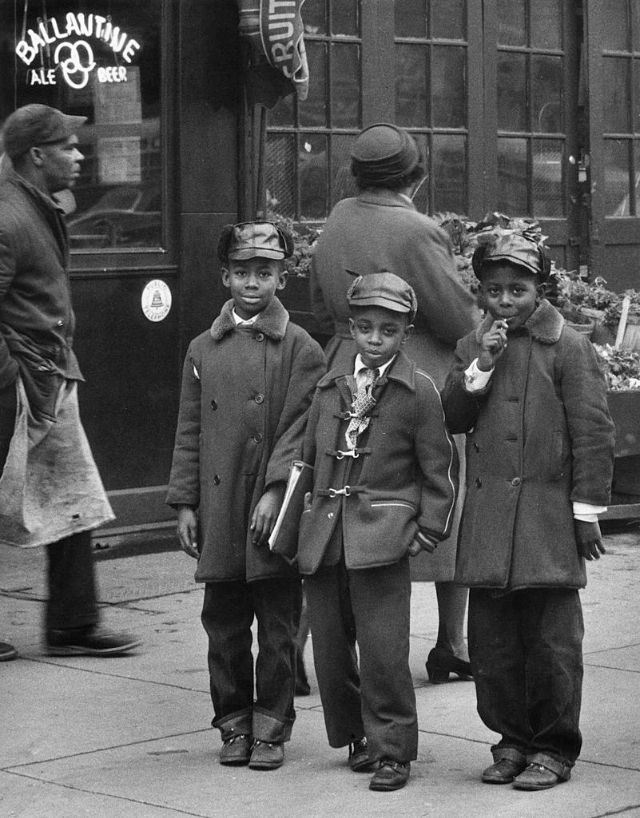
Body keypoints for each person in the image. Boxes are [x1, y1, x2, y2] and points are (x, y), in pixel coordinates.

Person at [441, 231, 615, 791]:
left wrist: (585, 512)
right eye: (493, 290)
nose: (505, 301)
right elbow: (453, 416)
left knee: (552, 645)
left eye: (517, 289)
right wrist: (483, 366)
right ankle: (511, 739)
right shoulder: (474, 346)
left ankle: (554, 746)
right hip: (492, 525)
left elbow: (593, 432)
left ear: (540, 289)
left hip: (547, 522)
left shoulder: (568, 347)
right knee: (492, 646)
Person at [309, 122, 480, 683]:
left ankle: (302, 653)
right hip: (414, 377)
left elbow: (315, 300)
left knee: (333, 500)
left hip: (343, 363)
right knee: (441, 495)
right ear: (418, 176)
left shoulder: (337, 217)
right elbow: (456, 319)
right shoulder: (419, 231)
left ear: (354, 174)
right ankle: (451, 644)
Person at [166, 221, 325, 770]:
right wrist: (186, 501)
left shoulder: (301, 348)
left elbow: (302, 426)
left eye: (265, 272)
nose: (252, 283)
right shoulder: (201, 349)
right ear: (224, 276)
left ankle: (272, 728)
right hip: (218, 509)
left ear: (283, 275)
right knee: (225, 627)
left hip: (269, 510)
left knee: (278, 627)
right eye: (241, 272)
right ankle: (232, 722)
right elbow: (189, 430)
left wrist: (275, 490)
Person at [297, 272, 459, 791]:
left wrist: (428, 529)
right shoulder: (330, 387)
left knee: (385, 650)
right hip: (325, 535)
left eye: (387, 330)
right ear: (350, 329)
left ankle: (393, 750)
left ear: (406, 332)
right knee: (330, 646)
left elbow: (440, 471)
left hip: (384, 537)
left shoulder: (419, 393)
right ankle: (355, 736)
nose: (374, 338)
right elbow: (310, 458)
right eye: (364, 327)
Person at [0, 104, 140, 659]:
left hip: (49, 378)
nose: (80, 155)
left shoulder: (34, 205)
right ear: (37, 156)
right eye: (68, 146)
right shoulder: (8, 217)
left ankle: (73, 625)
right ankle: (74, 624)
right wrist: (9, 377)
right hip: (20, 384)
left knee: (74, 498)